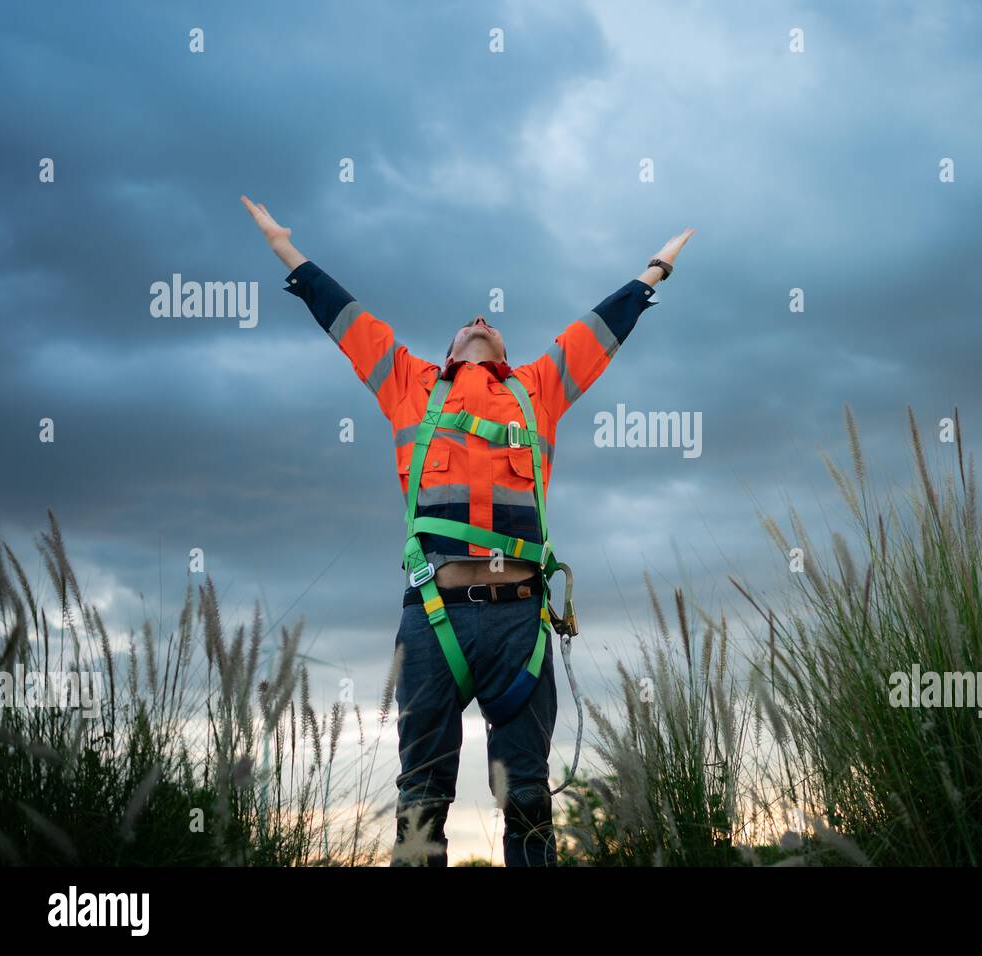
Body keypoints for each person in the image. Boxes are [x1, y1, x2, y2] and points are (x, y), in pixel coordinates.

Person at [241, 195, 694, 865]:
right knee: (421, 797)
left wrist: (655, 269)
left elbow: (597, 329)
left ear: (508, 352)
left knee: (529, 800)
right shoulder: (407, 383)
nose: (481, 322)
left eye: (491, 324)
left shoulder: (538, 387)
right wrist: (287, 248)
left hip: (520, 624)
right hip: (432, 620)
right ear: (448, 349)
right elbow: (347, 320)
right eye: (468, 323)